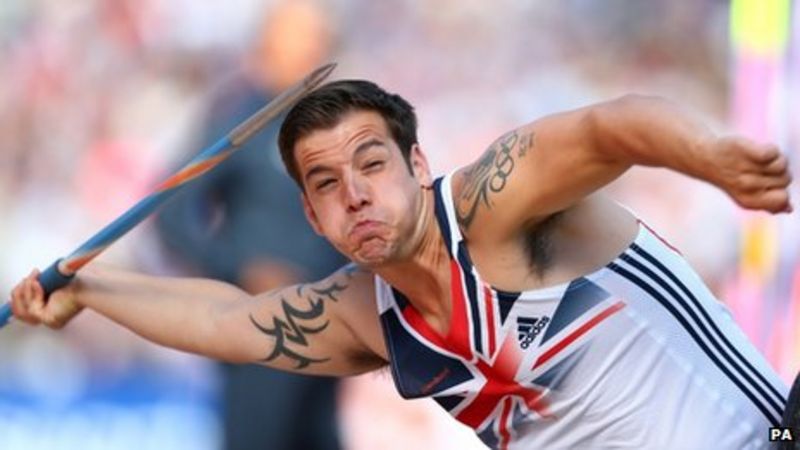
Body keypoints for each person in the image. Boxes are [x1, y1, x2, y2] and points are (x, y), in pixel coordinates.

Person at [11, 80, 794, 449]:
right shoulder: (367, 317)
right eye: (325, 184)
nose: (353, 194)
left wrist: (711, 156)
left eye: (371, 163)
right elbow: (224, 320)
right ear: (312, 217)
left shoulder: (494, 206)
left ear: (416, 162)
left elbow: (606, 130)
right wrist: (86, 290)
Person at [153, 2, 345, 449]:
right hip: (264, 334)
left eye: (320, 38)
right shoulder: (241, 121)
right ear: (267, 47)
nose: (316, 49)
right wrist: (239, 270)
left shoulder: (337, 125)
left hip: (331, 330)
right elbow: (171, 212)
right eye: (302, 39)